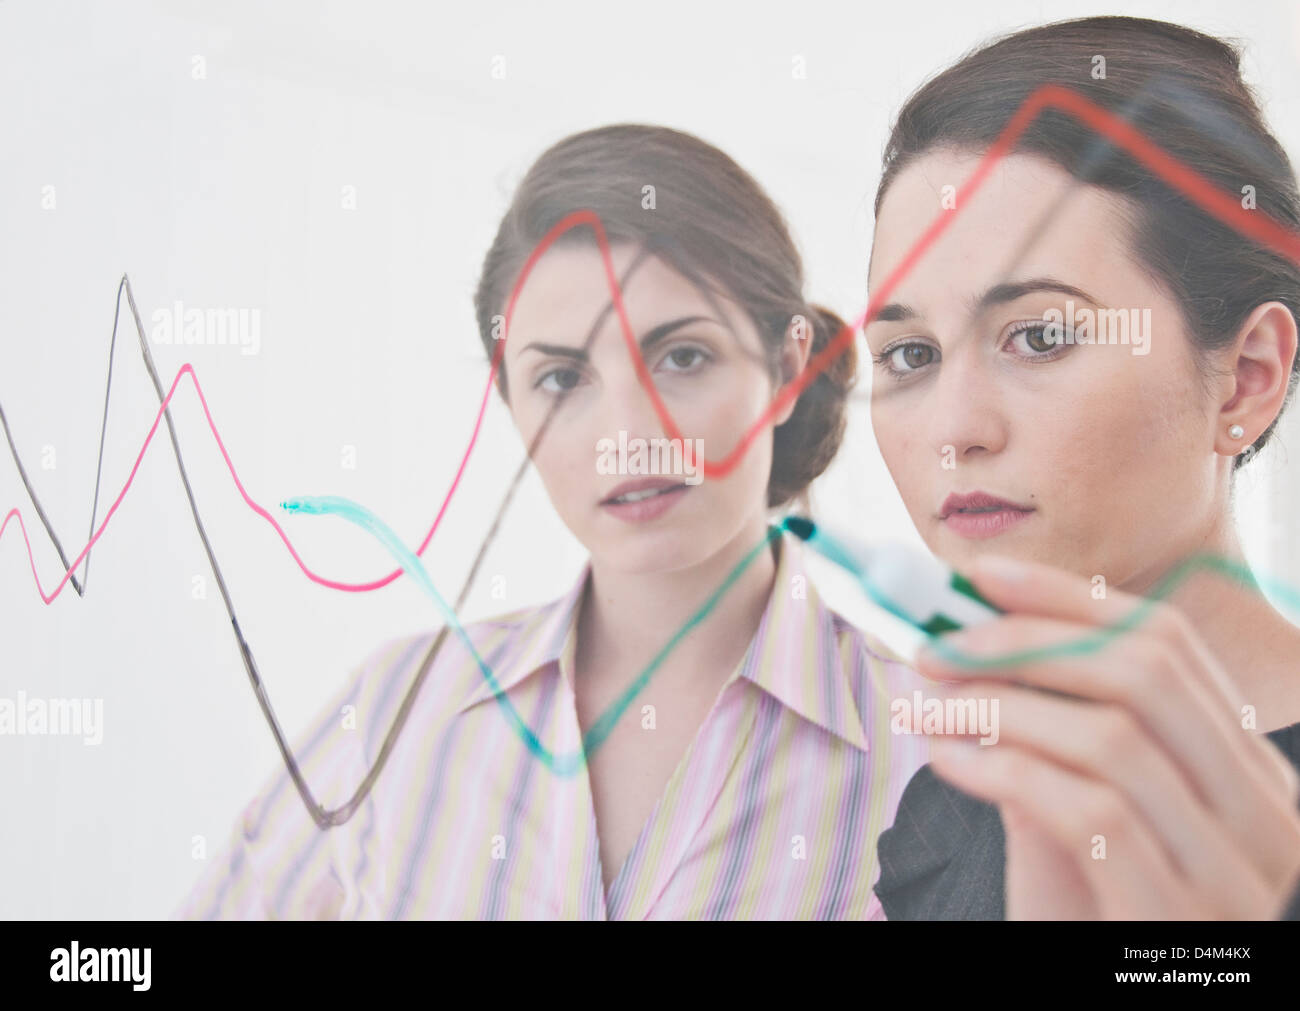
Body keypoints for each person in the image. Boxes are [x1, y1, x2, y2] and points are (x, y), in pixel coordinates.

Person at [174, 123, 928, 920]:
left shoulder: (934, 753)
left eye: (682, 357)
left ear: (785, 366)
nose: (629, 436)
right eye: (563, 377)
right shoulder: (397, 711)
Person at [862, 15, 1300, 919]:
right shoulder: (949, 806)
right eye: (909, 355)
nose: (954, 428)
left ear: (1246, 379)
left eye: (1040, 336)